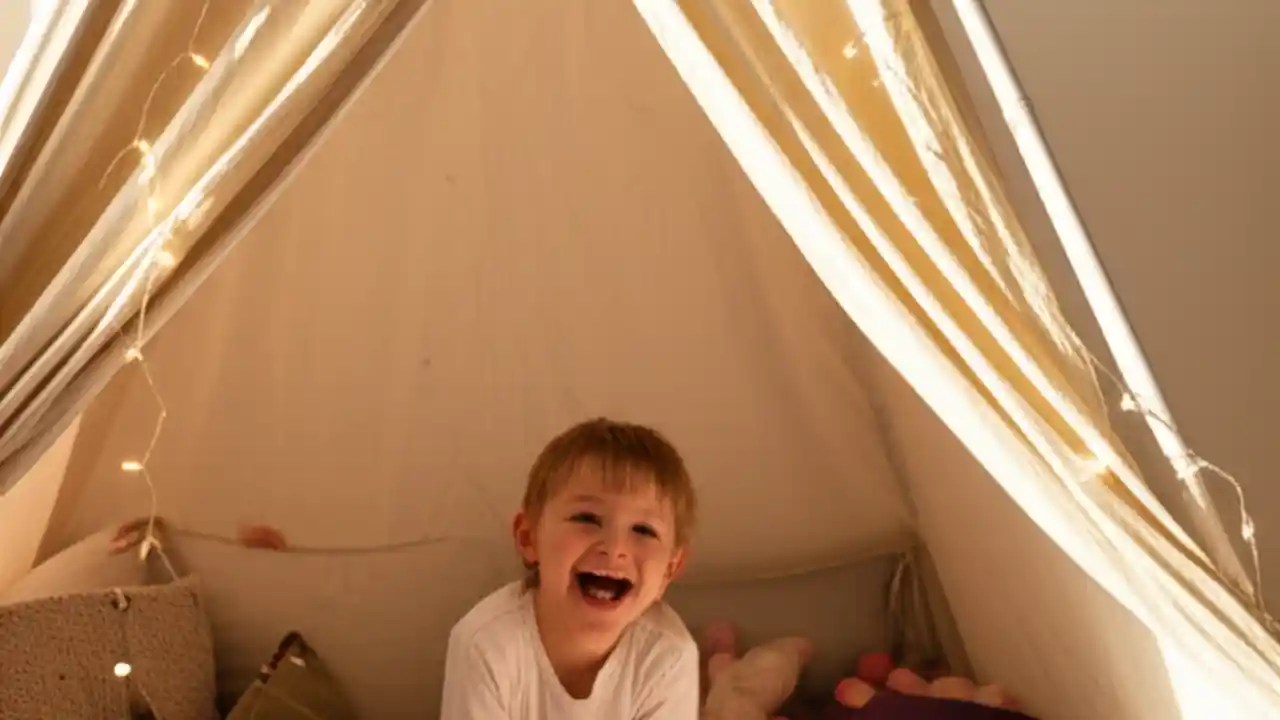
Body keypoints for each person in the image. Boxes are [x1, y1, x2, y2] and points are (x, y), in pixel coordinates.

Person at [440, 417, 700, 719]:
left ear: (669, 570)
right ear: (529, 538)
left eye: (643, 530)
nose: (615, 548)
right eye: (587, 519)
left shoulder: (668, 657)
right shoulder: (485, 644)